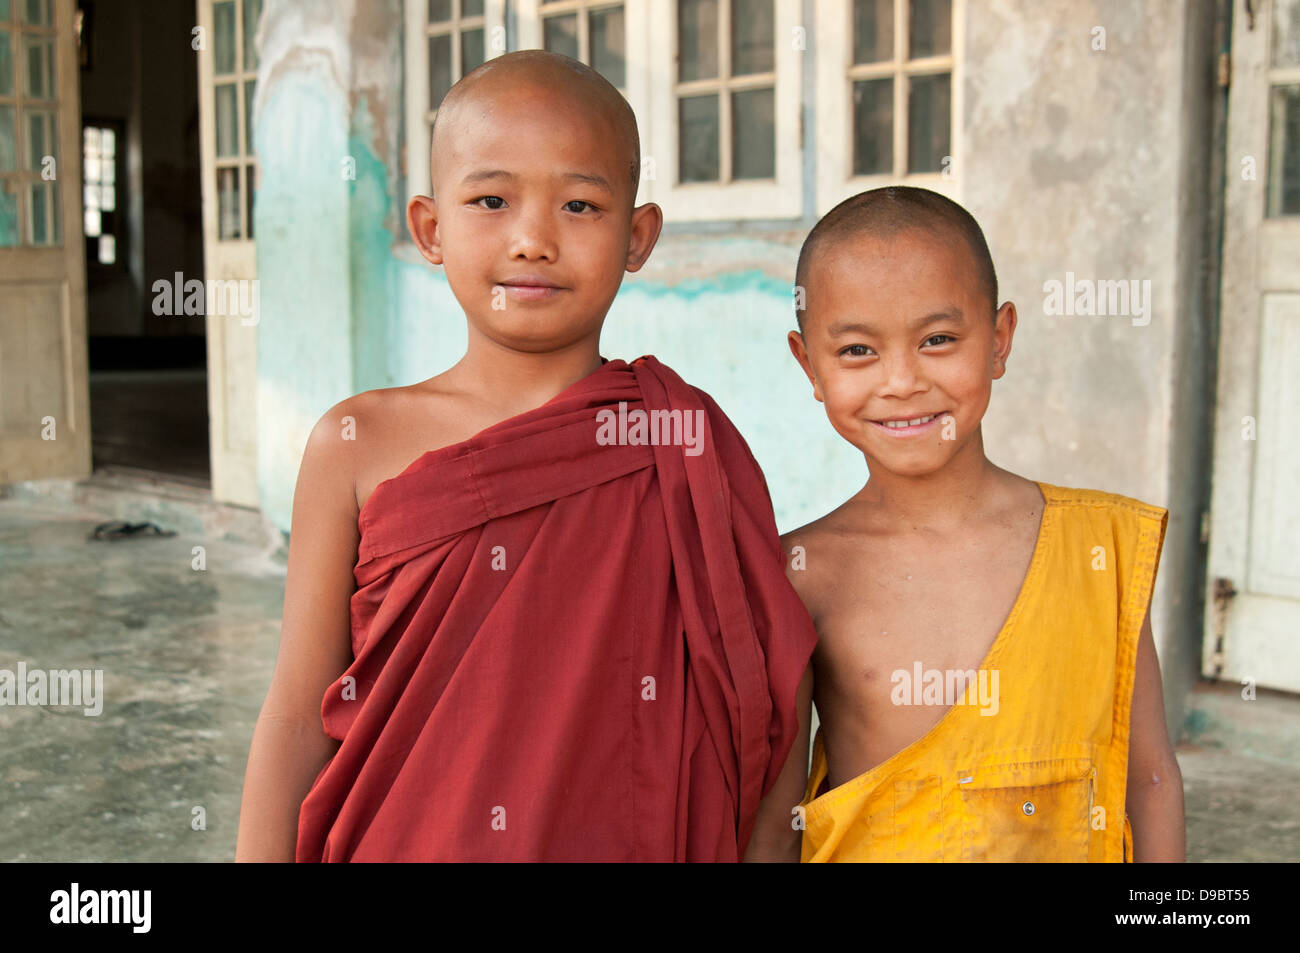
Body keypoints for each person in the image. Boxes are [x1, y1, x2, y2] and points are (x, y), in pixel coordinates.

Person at [234, 51, 815, 863]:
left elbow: (768, 700)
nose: (534, 239)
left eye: (580, 204)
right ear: (431, 229)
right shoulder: (355, 443)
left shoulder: (682, 440)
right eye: (492, 200)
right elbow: (298, 714)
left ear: (638, 236)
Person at [782, 186, 1185, 862]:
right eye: (858, 351)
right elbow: (779, 808)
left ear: (999, 341)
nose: (903, 380)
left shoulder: (1097, 548)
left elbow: (1149, 776)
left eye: (938, 339)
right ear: (809, 366)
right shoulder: (800, 568)